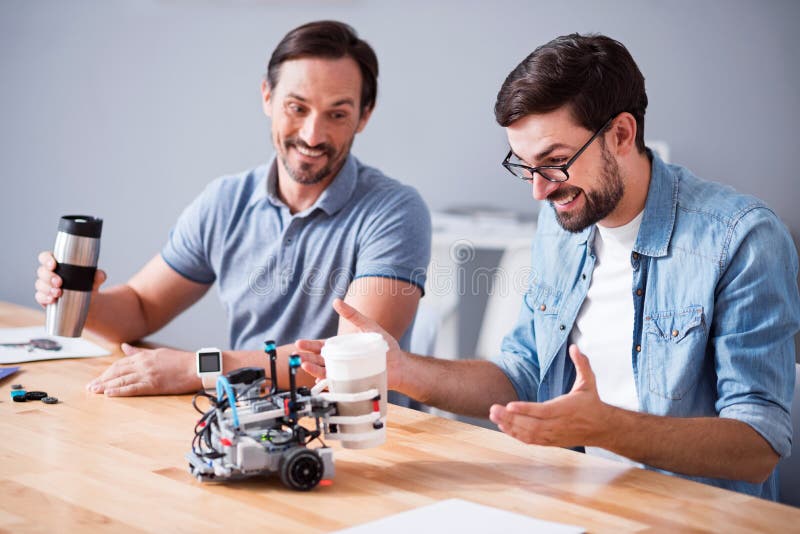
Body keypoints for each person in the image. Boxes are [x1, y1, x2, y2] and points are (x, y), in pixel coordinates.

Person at [298, 33, 800, 499]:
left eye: (554, 161)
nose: (538, 189)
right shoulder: (562, 221)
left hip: (692, 514)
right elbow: (524, 375)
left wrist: (605, 428)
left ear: (622, 134)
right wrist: (402, 370)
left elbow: (758, 445)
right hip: (577, 500)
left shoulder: (743, 240)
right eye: (524, 166)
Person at [34, 20, 431, 397]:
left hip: (366, 433)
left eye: (337, 114)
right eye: (297, 107)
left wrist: (200, 367)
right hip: (247, 417)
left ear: (364, 115)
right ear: (267, 97)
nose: (313, 134)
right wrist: (75, 298)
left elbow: (353, 358)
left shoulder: (394, 211)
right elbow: (141, 308)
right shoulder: (225, 202)